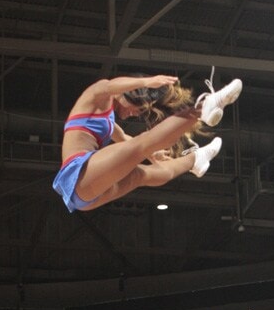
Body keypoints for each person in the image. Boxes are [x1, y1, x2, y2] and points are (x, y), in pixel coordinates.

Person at [52, 74, 242, 213]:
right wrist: (146, 82)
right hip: (77, 175)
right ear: (129, 93)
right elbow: (110, 85)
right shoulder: (97, 93)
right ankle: (204, 107)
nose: (134, 114)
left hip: (89, 190)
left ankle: (195, 160)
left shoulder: (108, 118)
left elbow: (124, 139)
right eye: (137, 108)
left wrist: (152, 155)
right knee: (142, 145)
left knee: (142, 174)